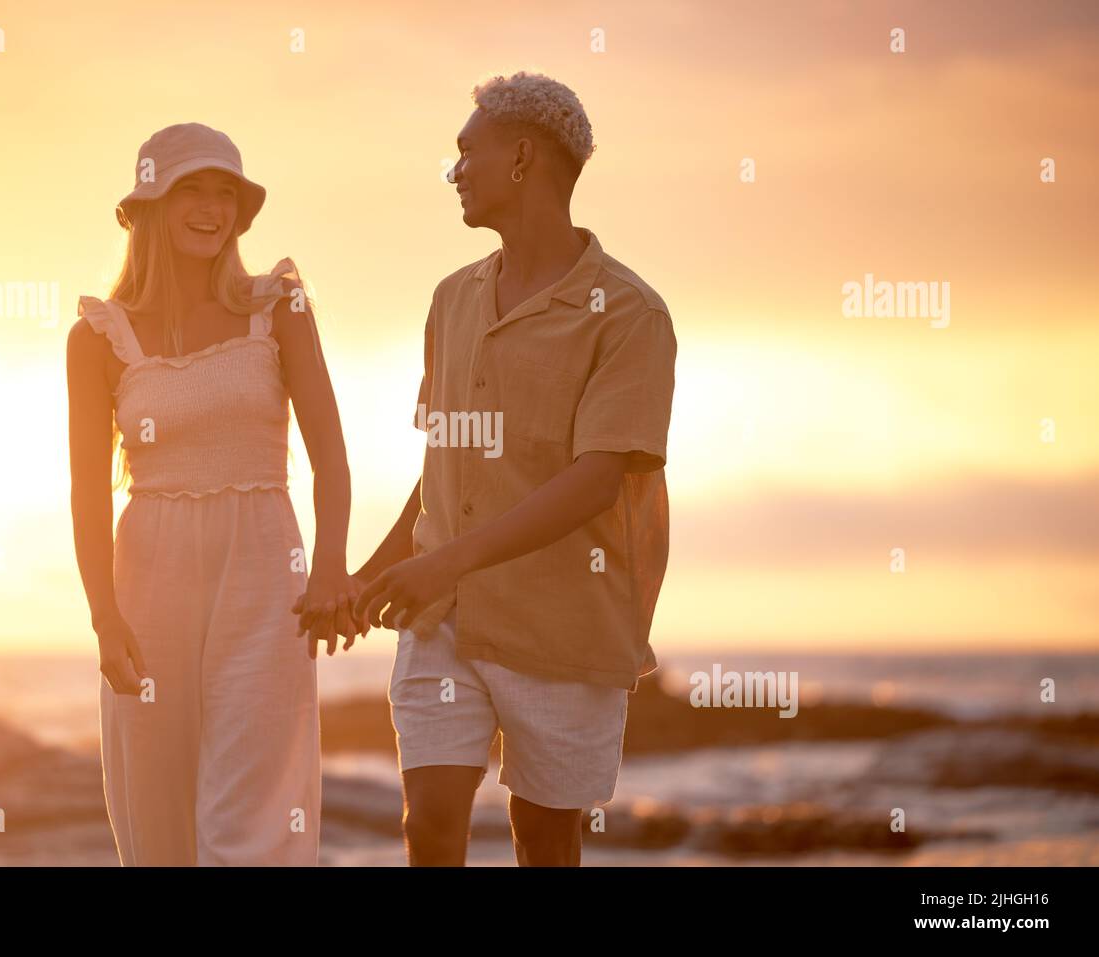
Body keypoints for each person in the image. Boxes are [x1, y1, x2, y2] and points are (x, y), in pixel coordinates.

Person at [351, 72, 678, 866]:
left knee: (544, 840)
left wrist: (441, 563)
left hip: (566, 621)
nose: (454, 170)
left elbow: (596, 480)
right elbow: (441, 463)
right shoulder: (451, 299)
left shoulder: (631, 314)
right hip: (444, 619)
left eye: (467, 152)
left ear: (524, 158)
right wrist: (375, 571)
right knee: (429, 827)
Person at [66, 122, 361, 866]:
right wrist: (105, 615)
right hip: (149, 574)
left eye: (224, 192)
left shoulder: (279, 308)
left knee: (253, 812)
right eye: (189, 189)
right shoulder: (100, 336)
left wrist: (331, 563)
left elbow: (330, 454)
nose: (210, 207)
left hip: (265, 568)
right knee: (157, 814)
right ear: (150, 206)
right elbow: (87, 491)